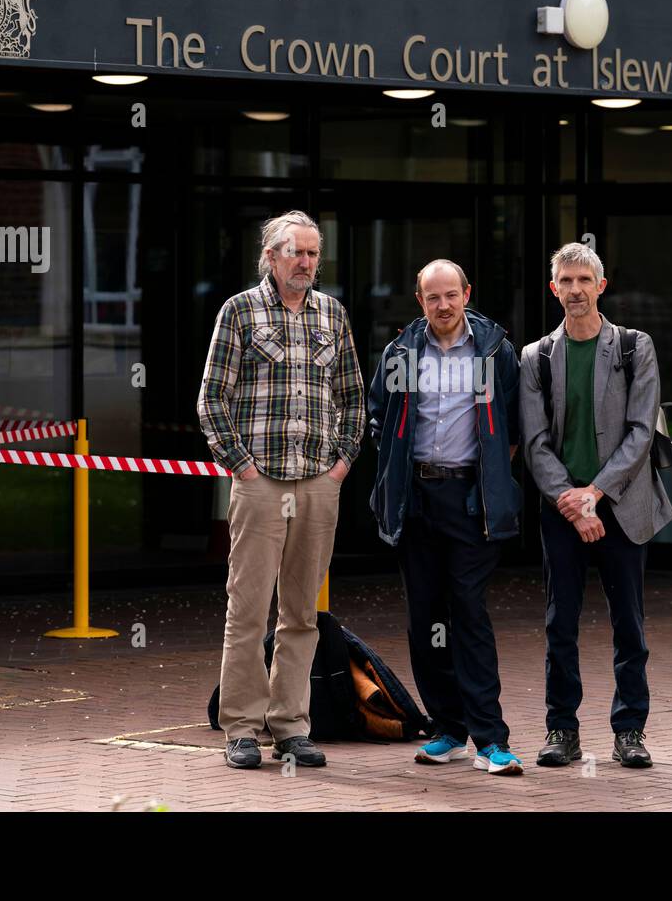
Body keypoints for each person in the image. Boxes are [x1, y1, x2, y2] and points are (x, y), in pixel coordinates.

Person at [197, 210, 365, 770]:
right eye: (296, 252)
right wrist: (241, 467)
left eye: (314, 254)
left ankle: (291, 726)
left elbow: (354, 400)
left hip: (318, 482)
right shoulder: (240, 312)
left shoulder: (331, 314)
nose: (306, 263)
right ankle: (241, 727)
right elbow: (211, 399)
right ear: (270, 256)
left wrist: (340, 466)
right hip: (260, 481)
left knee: (302, 614)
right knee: (246, 610)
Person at [367, 260, 525, 776]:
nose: (443, 305)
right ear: (420, 300)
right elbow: (378, 415)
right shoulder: (400, 353)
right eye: (432, 297)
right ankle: (448, 730)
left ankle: (491, 739)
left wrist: (495, 479)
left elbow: (515, 424)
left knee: (469, 613)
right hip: (416, 500)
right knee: (425, 619)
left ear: (466, 294)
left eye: (451, 295)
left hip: (469, 499)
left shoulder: (495, 351)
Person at [519, 242, 672, 770]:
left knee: (628, 622)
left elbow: (640, 433)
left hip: (622, 505)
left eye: (585, 280)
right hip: (563, 507)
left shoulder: (635, 347)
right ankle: (561, 729)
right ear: (554, 288)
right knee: (560, 623)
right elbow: (536, 442)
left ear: (601, 287)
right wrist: (573, 501)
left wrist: (596, 494)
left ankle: (629, 730)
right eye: (566, 281)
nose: (576, 290)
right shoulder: (536, 355)